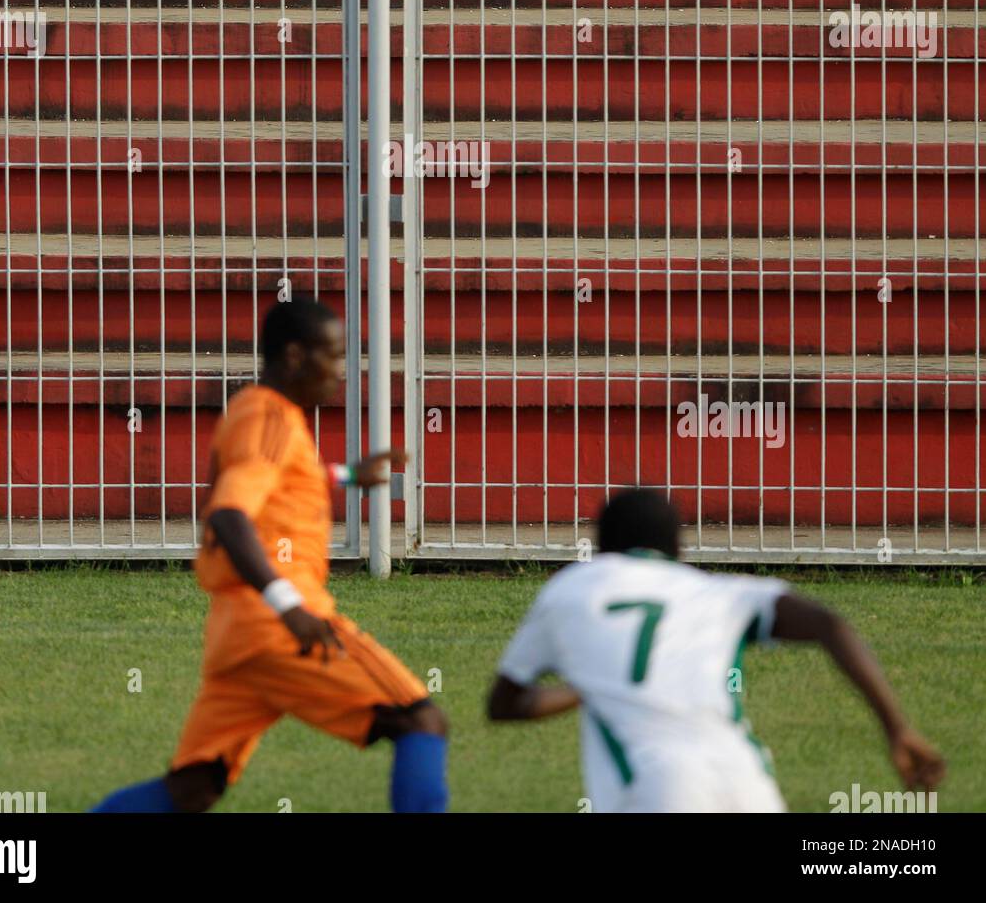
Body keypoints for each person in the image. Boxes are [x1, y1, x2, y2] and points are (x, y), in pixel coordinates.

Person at [91, 296, 448, 813]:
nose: (341, 371)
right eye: (333, 355)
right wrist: (288, 606)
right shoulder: (273, 420)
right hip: (279, 624)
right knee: (421, 721)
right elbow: (230, 515)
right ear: (297, 355)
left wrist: (350, 476)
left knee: (193, 788)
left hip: (237, 630)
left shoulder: (257, 411)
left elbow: (279, 485)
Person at [488, 488, 946, 812]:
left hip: (655, 790)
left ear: (601, 545)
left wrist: (587, 688)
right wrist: (897, 729)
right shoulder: (715, 591)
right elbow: (830, 624)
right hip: (747, 785)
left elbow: (505, 703)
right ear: (678, 550)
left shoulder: (570, 589)